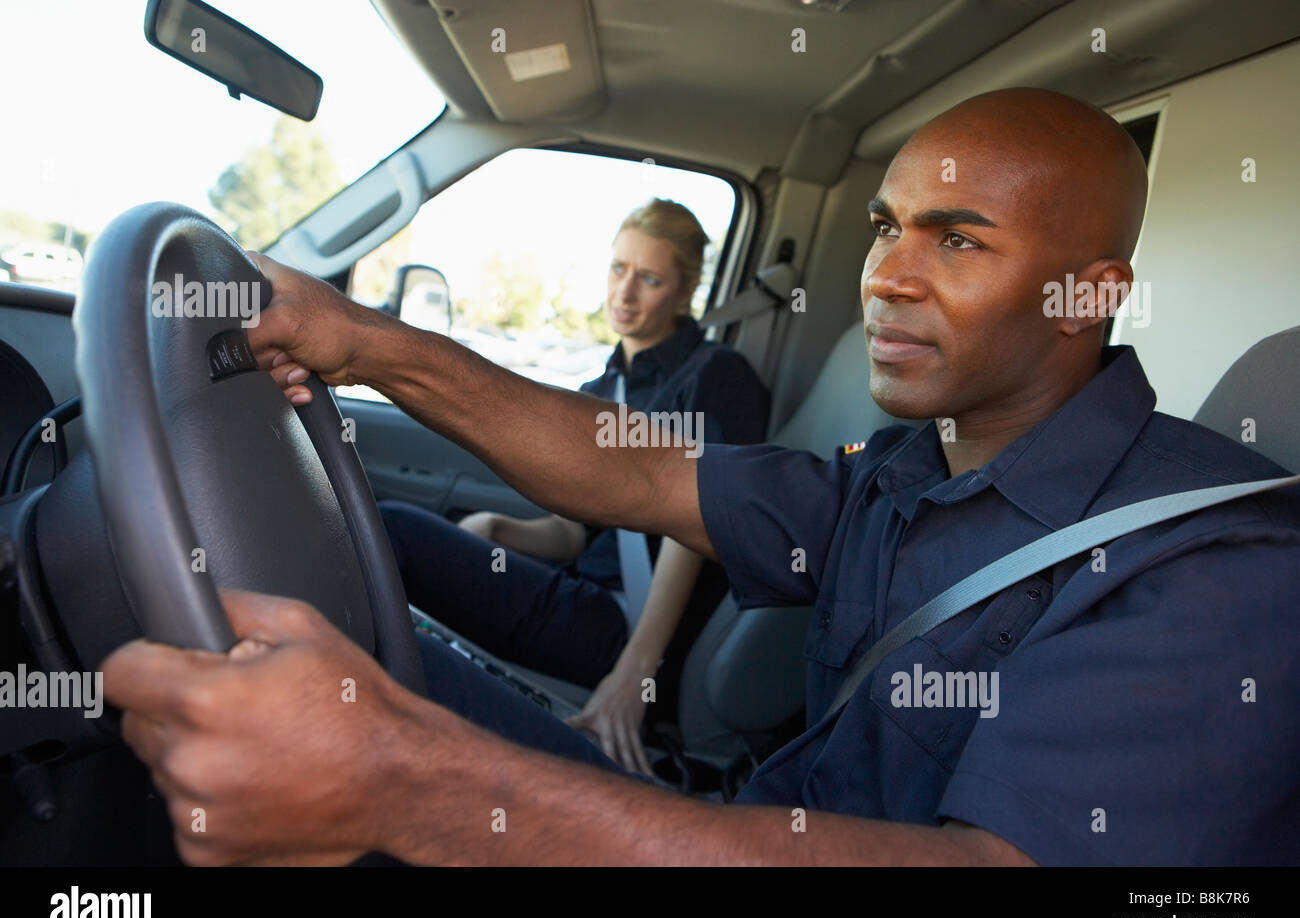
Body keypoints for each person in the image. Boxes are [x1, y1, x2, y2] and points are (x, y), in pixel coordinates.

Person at [102, 88, 1300, 866]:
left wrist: (408, 777)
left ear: (1086, 295)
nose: (885, 274)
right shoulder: (906, 469)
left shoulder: (1216, 570)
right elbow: (643, 475)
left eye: (958, 238)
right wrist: (373, 343)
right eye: (886, 226)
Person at [376, 199, 769, 773]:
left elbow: (700, 517)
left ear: (685, 293)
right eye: (618, 269)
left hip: (629, 626)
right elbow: (573, 533)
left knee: (395, 530)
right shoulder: (599, 386)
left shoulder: (716, 376)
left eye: (650, 278)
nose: (626, 292)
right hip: (584, 596)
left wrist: (634, 676)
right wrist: (500, 528)